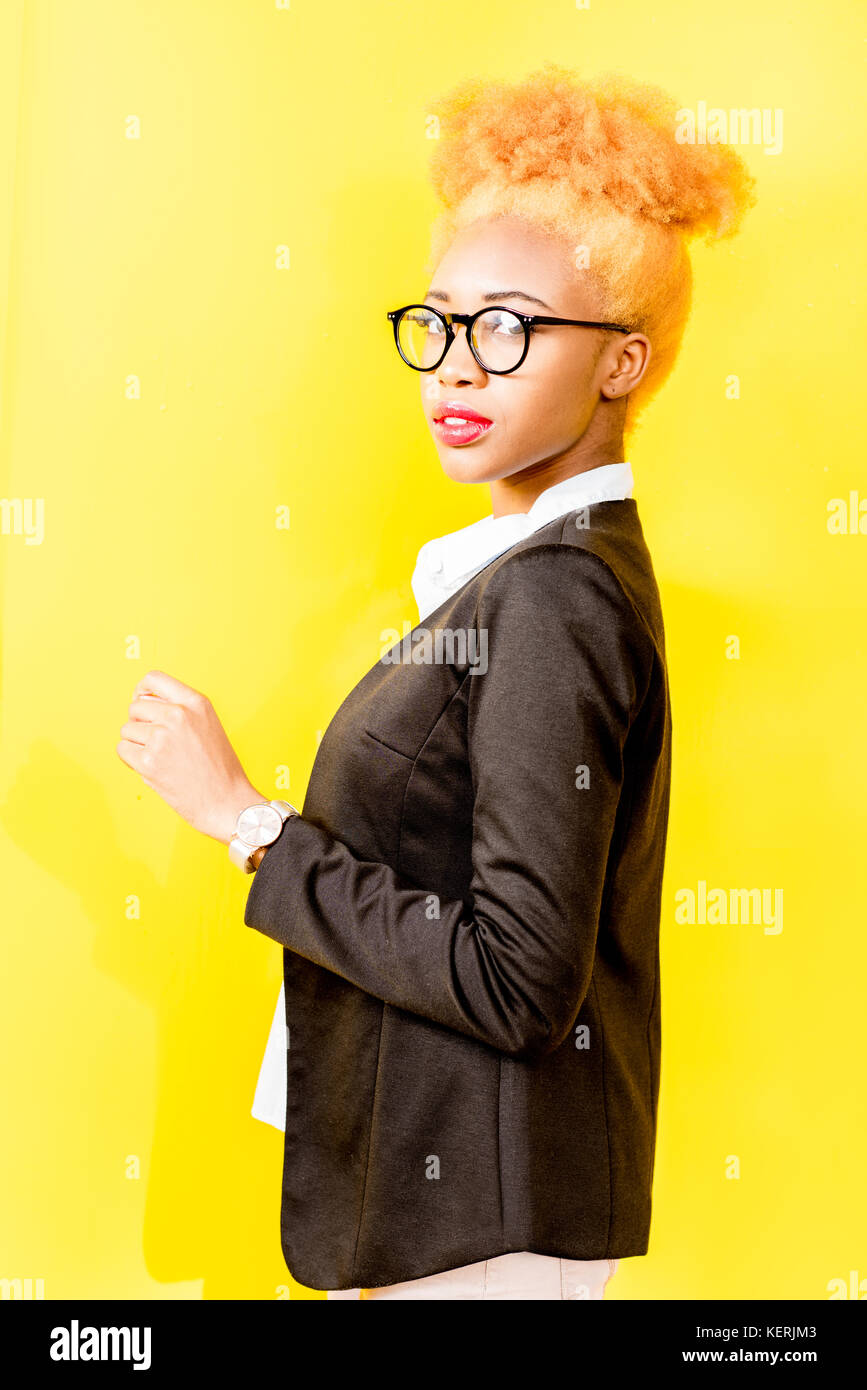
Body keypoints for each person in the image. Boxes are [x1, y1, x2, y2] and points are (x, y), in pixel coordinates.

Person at [116, 62, 755, 1299]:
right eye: (441, 322)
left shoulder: (553, 598)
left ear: (620, 364)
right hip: (449, 1193)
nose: (456, 366)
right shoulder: (525, 576)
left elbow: (518, 980)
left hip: (486, 1224)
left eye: (510, 327)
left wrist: (248, 823)